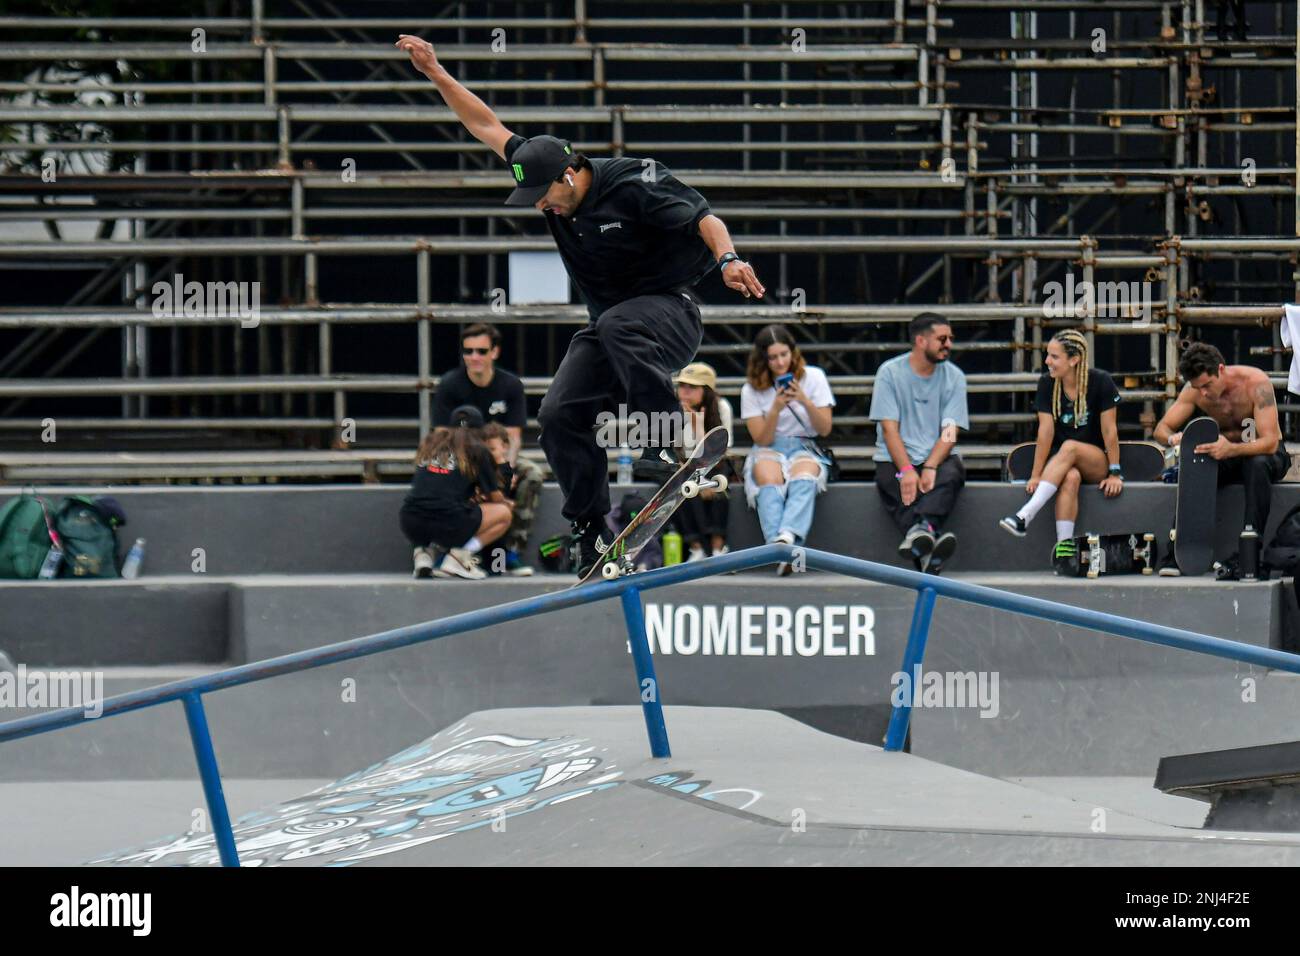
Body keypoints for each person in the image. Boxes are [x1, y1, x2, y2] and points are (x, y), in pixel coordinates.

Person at [397, 34, 766, 578]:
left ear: (570, 175)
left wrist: (730, 258)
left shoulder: (635, 181)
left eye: (546, 195)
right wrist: (435, 72)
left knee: (618, 323)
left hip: (670, 310)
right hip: (615, 330)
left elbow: (704, 218)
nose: (542, 206)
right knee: (558, 416)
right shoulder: (539, 165)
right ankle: (592, 530)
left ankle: (664, 442)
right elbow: (484, 125)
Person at [1152, 341, 1286, 575]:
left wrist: (1232, 449)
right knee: (1198, 459)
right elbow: (1161, 429)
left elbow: (1270, 442)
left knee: (1257, 464)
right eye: (1197, 387)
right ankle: (1180, 550)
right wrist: (1175, 439)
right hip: (1225, 453)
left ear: (1221, 370)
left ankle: (1249, 550)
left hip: (1265, 454)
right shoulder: (1194, 391)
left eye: (1207, 385)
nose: (1203, 392)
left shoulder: (1256, 383)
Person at [999, 330, 1124, 567]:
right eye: (1048, 355)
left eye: (1054, 357)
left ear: (1074, 359)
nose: (1047, 362)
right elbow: (1045, 432)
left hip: (1095, 461)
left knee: (1070, 447)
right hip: (1062, 463)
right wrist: (1036, 474)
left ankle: (1026, 514)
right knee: (1070, 477)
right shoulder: (1047, 383)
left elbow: (1110, 432)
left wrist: (1115, 472)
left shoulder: (1101, 381)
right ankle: (1065, 551)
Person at [431, 322, 538, 574]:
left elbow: (513, 436)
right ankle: (446, 553)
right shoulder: (449, 384)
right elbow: (441, 437)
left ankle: (510, 553)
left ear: (495, 352)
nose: (474, 357)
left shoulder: (510, 385)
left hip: (499, 458)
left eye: (481, 351)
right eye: (468, 351)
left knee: (532, 474)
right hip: (462, 459)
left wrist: (506, 471)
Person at [872, 313, 969, 574]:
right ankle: (927, 539)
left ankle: (920, 534)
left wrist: (930, 466)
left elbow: (950, 432)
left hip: (935, 456)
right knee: (890, 480)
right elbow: (889, 429)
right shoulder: (889, 373)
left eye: (950, 338)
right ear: (920, 341)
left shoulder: (955, 377)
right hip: (895, 458)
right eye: (942, 339)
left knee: (952, 472)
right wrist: (906, 471)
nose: (948, 343)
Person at [740, 324, 835, 575]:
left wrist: (804, 399)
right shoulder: (751, 388)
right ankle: (782, 547)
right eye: (773, 357)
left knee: (804, 474)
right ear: (763, 359)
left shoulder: (814, 377)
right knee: (766, 474)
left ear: (793, 352)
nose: (780, 362)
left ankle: (785, 538)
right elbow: (761, 437)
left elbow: (825, 428)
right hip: (770, 445)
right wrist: (775, 409)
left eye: (784, 354)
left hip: (805, 443)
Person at [400, 405, 511, 580]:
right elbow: (494, 496)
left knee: (429, 505)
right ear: (479, 430)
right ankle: (459, 557)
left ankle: (422, 555)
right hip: (448, 523)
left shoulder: (431, 443)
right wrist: (507, 503)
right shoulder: (477, 449)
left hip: (410, 522)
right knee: (504, 513)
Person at [670, 362, 734, 561]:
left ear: (706, 391)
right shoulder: (673, 409)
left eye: (692, 387)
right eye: (682, 386)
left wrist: (698, 427)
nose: (685, 391)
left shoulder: (721, 407)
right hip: (684, 464)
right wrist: (691, 472)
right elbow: (672, 449)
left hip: (713, 462)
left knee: (719, 483)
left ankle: (717, 547)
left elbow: (721, 449)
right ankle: (695, 547)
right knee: (678, 483)